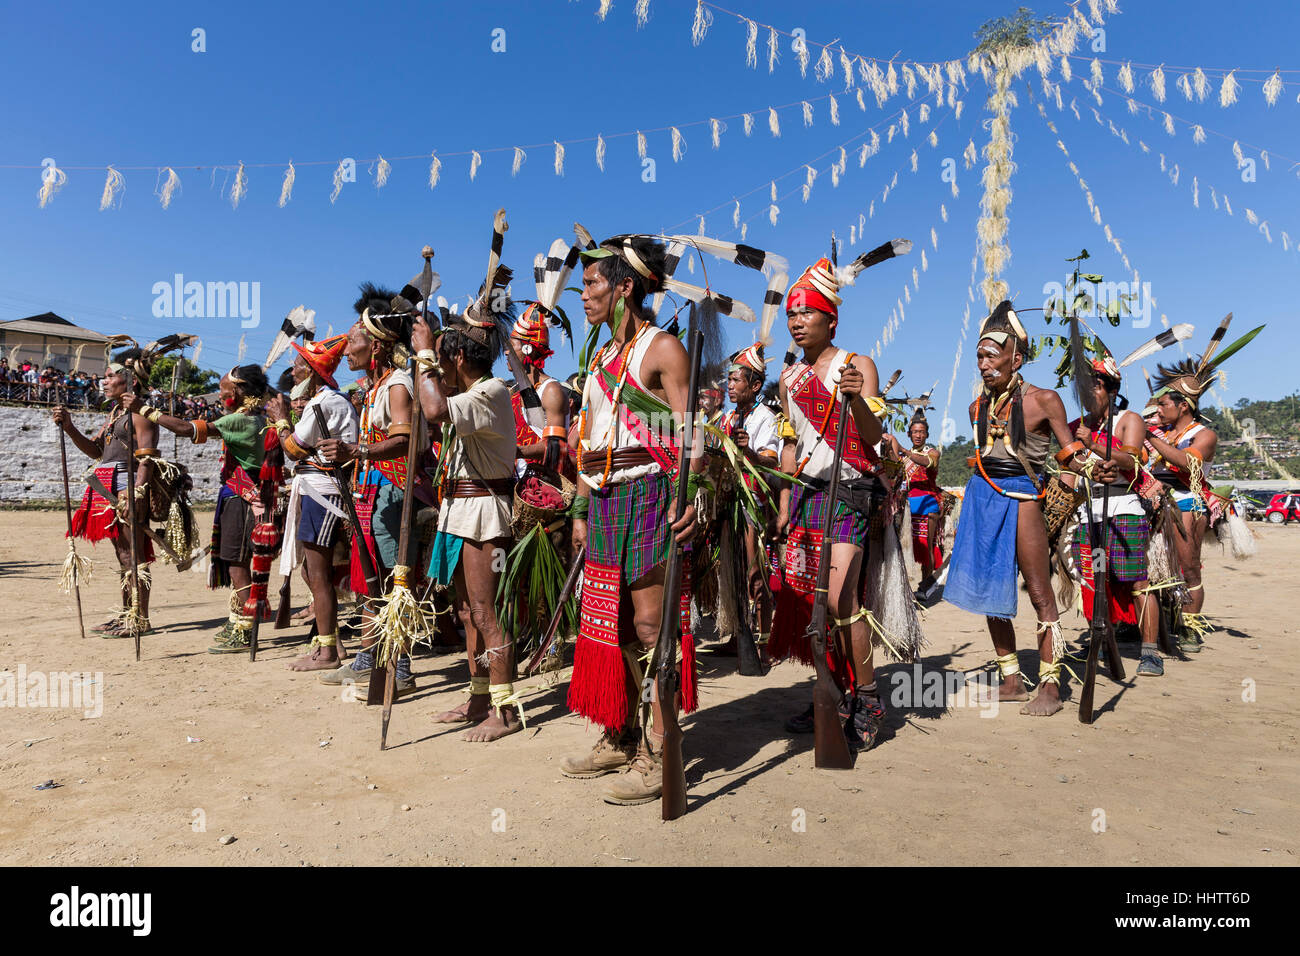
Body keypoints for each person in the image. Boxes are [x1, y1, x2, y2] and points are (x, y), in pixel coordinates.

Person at [561, 234, 699, 805]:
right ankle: (620, 733)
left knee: (650, 626)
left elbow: (689, 436)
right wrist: (582, 509)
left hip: (651, 495)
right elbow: (591, 437)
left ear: (624, 288)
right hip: (605, 500)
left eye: (593, 283)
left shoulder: (663, 349)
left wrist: (688, 499)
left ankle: (661, 748)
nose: (584, 294)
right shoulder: (598, 357)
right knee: (610, 624)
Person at [943, 302, 1099, 716]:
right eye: (979, 355)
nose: (984, 363)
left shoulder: (1044, 399)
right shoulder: (977, 408)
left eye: (992, 355)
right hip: (982, 497)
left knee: (1039, 591)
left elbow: (1068, 453)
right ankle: (1012, 679)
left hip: (1024, 498)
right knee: (990, 595)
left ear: (1016, 358)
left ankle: (1050, 686)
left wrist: (1090, 466)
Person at [771, 255, 891, 749]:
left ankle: (867, 697)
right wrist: (782, 508)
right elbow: (790, 448)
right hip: (807, 496)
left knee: (842, 597)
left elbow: (874, 437)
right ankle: (831, 686)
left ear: (831, 318)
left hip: (851, 491)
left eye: (807, 314)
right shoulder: (787, 379)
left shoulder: (857, 365)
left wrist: (857, 398)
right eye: (791, 316)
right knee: (812, 601)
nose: (797, 323)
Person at [412, 264, 521, 742]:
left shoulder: (490, 391)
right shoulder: (473, 390)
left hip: (483, 514)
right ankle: (480, 697)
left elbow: (433, 409)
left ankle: (506, 709)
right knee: (466, 613)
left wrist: (421, 356)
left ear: (455, 358)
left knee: (486, 612)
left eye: (441, 356)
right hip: (461, 511)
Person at [123, 363, 281, 653]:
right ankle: (238, 618)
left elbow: (186, 429)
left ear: (240, 391)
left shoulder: (241, 421)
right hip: (245, 498)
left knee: (237, 562)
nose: (220, 397)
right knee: (239, 561)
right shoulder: (257, 419)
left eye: (224, 391)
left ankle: (246, 627)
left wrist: (145, 410)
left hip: (242, 499)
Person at [316, 284, 418, 695]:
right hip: (369, 493)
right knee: (370, 578)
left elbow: (405, 439)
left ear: (376, 346)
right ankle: (368, 656)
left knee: (396, 580)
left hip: (393, 494)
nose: (346, 348)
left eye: (354, 340)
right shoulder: (373, 387)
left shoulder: (397, 385)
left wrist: (356, 450)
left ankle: (402, 667)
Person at [266, 334, 359, 671]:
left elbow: (293, 448)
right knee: (311, 571)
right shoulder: (322, 400)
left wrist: (280, 418)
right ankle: (328, 643)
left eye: (299, 365)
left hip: (323, 490)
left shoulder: (324, 403)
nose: (292, 371)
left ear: (315, 372)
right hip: (314, 488)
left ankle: (329, 652)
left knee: (317, 574)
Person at [1066, 353, 1160, 675]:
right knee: (1094, 583)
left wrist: (1093, 444)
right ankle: (1105, 645)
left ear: (1108, 387)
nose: (1086, 394)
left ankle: (1150, 652)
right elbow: (1067, 464)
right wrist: (1079, 466)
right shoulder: (1075, 426)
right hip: (1088, 513)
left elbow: (1133, 463)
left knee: (1136, 581)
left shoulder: (1128, 420)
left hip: (1124, 509)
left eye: (1092, 387)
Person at [54, 347, 160, 636]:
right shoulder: (115, 413)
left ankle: (140, 619)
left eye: (111, 376)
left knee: (134, 555)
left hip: (128, 488)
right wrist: (69, 427)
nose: (104, 381)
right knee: (123, 555)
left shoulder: (141, 413)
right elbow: (96, 451)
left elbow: (148, 457)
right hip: (109, 486)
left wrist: (136, 493)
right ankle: (127, 614)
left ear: (131, 382)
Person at [720, 343, 781, 652]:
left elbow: (773, 463)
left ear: (755, 385)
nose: (729, 386)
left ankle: (765, 640)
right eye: (728, 381)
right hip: (728, 502)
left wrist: (750, 452)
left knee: (754, 570)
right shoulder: (728, 418)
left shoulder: (765, 418)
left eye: (736, 381)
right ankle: (737, 633)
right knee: (731, 570)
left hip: (752, 503)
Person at [887, 410, 943, 595]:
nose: (918, 435)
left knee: (925, 547)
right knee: (905, 548)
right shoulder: (904, 457)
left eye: (922, 432)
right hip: (908, 506)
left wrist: (905, 451)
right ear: (909, 434)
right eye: (915, 432)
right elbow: (894, 467)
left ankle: (925, 587)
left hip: (928, 504)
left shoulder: (932, 452)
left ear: (927, 434)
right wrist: (891, 447)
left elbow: (929, 463)